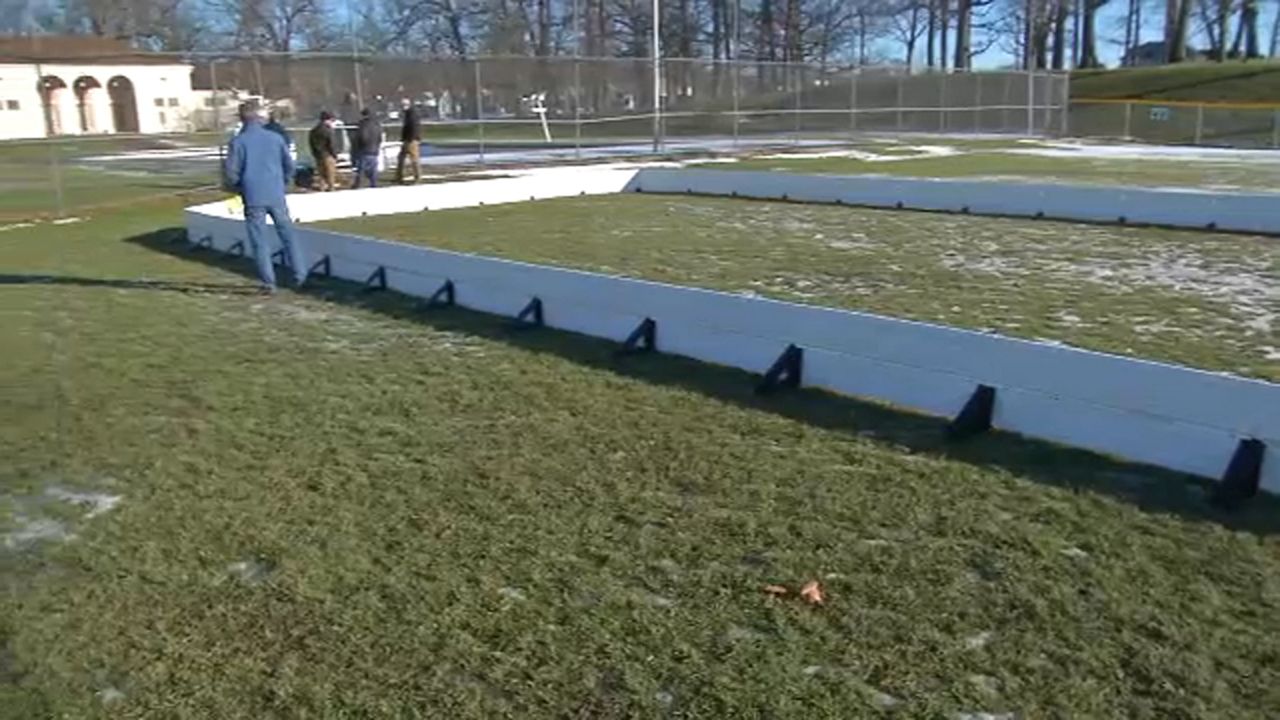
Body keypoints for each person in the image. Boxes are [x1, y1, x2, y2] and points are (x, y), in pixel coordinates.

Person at [223, 100, 307, 293]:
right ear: (259, 117)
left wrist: (239, 188)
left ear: (243, 119)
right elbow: (289, 165)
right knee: (287, 234)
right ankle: (300, 274)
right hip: (276, 193)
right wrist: (283, 182)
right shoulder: (275, 138)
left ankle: (268, 281)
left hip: (252, 196)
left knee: (259, 239)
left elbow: (231, 173)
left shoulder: (238, 142)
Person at [351, 107, 382, 189]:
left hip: (364, 150)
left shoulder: (362, 124)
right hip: (374, 150)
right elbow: (379, 137)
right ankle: (374, 184)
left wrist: (357, 147)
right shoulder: (377, 124)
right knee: (373, 169)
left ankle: (358, 184)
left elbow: (361, 137)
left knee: (361, 169)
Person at [309, 110, 338, 191]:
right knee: (330, 173)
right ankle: (331, 188)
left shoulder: (314, 130)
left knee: (321, 174)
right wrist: (334, 154)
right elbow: (331, 144)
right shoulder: (328, 130)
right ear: (327, 120)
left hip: (318, 155)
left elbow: (311, 143)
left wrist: (314, 153)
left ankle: (322, 187)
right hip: (328, 155)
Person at [396, 98, 422, 184]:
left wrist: (410, 139)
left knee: (413, 159)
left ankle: (417, 177)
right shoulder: (409, 114)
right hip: (409, 139)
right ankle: (399, 176)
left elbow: (413, 128)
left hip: (411, 140)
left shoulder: (412, 114)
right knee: (402, 158)